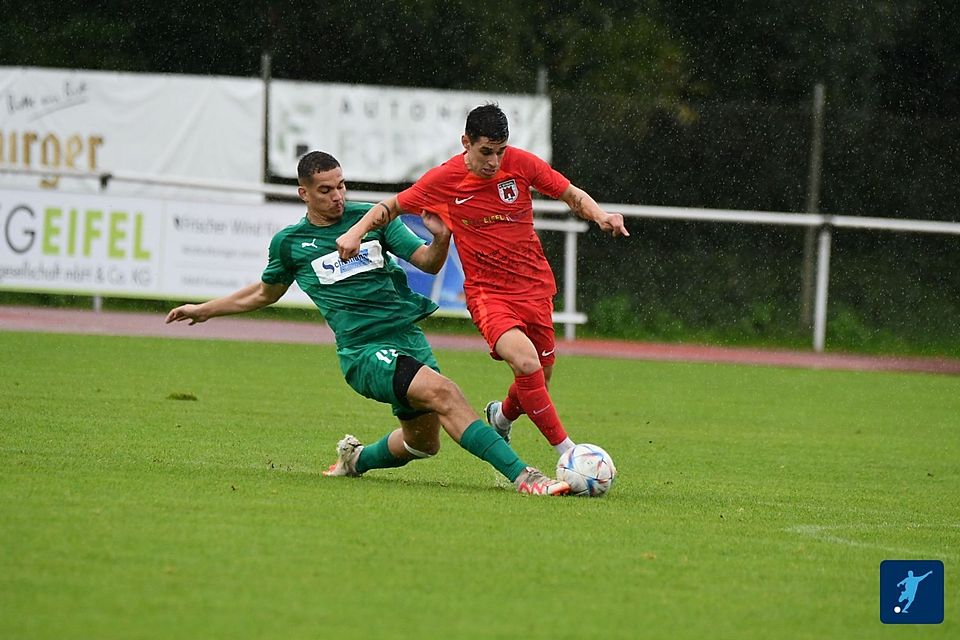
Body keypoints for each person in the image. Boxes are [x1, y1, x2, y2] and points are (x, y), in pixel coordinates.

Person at [165, 150, 569, 496]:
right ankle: (525, 476)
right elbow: (263, 294)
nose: (337, 196)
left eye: (341, 185)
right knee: (445, 393)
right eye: (325, 190)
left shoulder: (372, 221)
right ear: (303, 193)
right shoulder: (290, 243)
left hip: (408, 338)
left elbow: (426, 262)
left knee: (423, 444)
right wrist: (204, 309)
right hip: (363, 352)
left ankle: (355, 459)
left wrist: (441, 239)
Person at [337, 103, 629, 455]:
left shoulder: (521, 164)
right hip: (488, 294)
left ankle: (502, 417)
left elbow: (570, 194)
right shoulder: (443, 179)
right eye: (486, 152)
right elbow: (391, 207)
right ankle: (569, 452)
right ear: (466, 142)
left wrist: (601, 215)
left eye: (500, 151)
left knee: (538, 381)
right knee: (525, 362)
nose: (494, 161)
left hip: (534, 288)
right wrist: (355, 232)